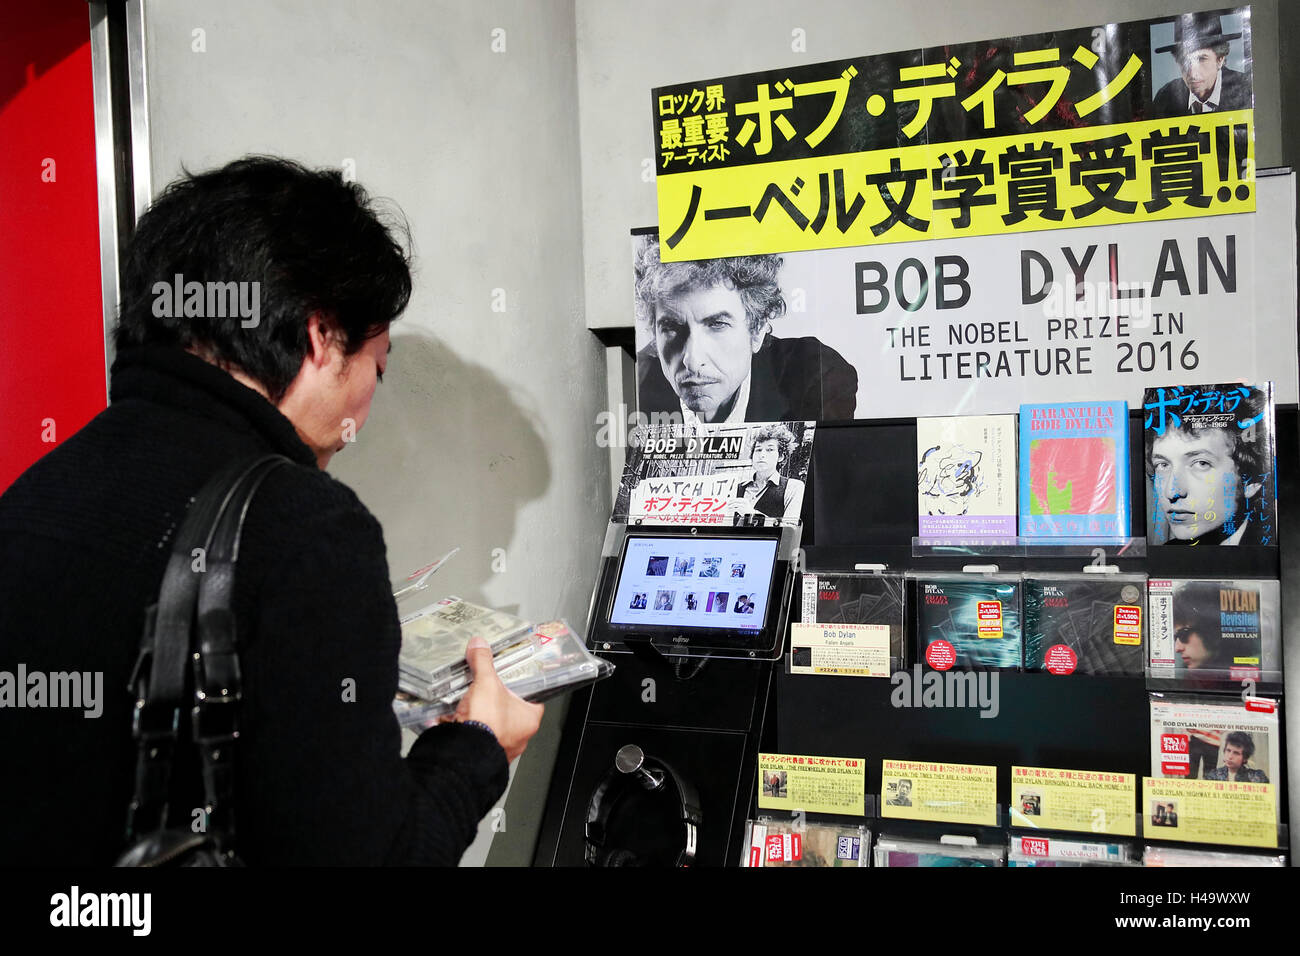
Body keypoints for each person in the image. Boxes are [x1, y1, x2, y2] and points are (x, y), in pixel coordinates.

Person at [0, 157, 542, 866]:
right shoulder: (303, 527)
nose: (365, 410)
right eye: (376, 369)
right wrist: (477, 749)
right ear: (320, 338)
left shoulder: (34, 491)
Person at [633, 237, 858, 423]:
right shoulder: (632, 385)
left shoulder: (815, 376)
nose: (692, 360)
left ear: (757, 330)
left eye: (717, 325)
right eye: (671, 328)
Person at [1147, 389, 1270, 545]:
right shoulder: (1166, 555)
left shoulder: (1269, 549)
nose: (1172, 492)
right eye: (1163, 465)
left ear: (1250, 481)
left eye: (1201, 463)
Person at [1150, 13, 1250, 118]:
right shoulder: (1165, 97)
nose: (1192, 73)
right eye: (1184, 60)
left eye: (1202, 59)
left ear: (1220, 59)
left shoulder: (1245, 90)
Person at [734, 423, 807, 526]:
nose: (762, 455)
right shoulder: (737, 488)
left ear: (781, 456)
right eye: (758, 450)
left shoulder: (793, 487)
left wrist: (752, 515)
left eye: (770, 450)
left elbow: (790, 529)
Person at [1204, 731, 1269, 782]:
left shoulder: (1257, 777)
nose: (1230, 756)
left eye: (1236, 753)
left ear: (1245, 758)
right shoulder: (1213, 775)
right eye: (1228, 750)